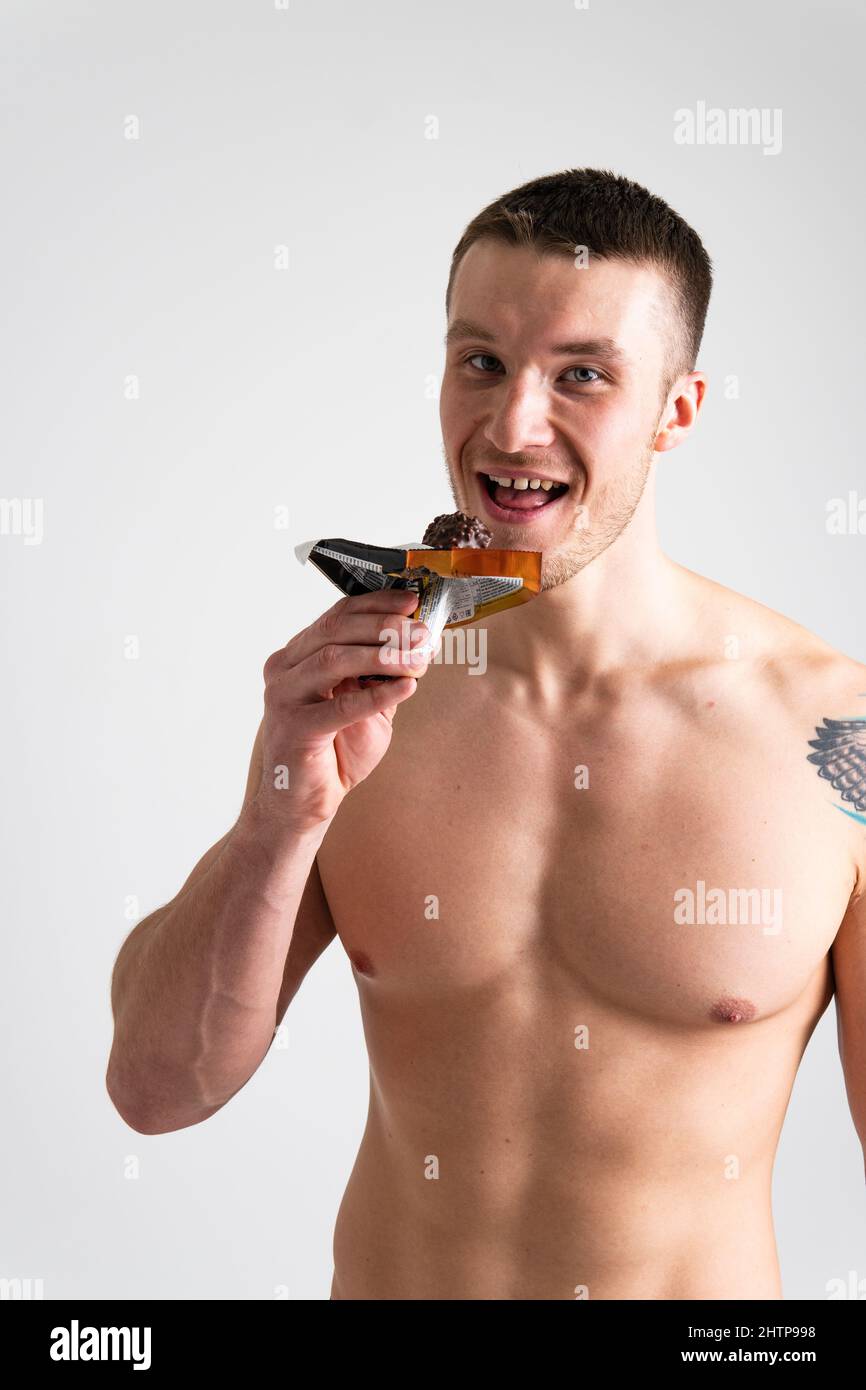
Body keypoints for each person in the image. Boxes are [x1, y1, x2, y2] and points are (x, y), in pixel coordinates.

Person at [106, 168, 866, 1300]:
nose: (512, 424)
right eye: (481, 362)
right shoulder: (361, 694)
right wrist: (281, 816)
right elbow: (158, 1089)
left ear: (676, 407)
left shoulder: (829, 735)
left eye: (582, 375)